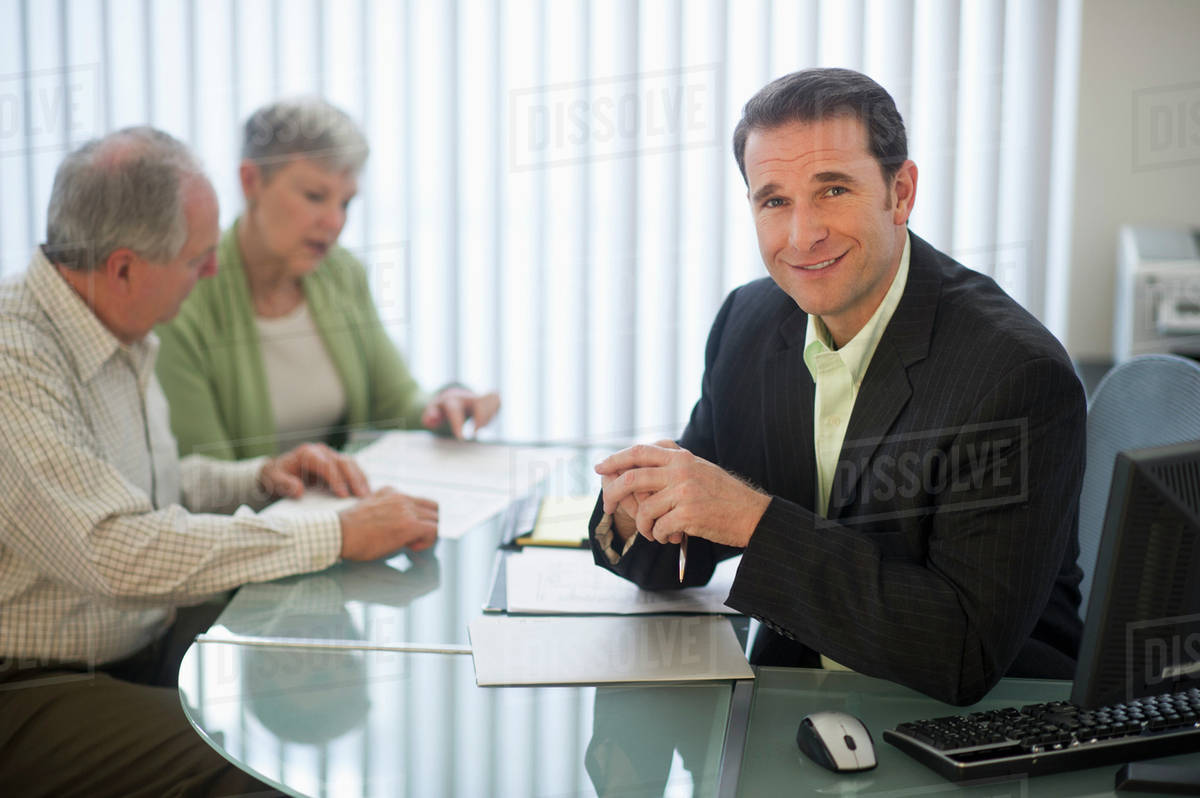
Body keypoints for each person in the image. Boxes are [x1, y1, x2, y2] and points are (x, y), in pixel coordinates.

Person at [590, 68, 1086, 707]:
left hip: (985, 721)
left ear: (900, 192)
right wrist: (635, 511)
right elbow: (684, 549)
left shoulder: (1015, 375)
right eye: (774, 201)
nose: (802, 235)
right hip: (798, 696)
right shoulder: (749, 324)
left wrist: (753, 520)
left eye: (832, 190)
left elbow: (961, 649)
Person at [0, 127, 439, 795]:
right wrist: (335, 531)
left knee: (313, 631)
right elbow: (115, 549)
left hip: (138, 640)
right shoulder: (15, 361)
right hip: (33, 680)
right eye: (197, 258)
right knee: (243, 769)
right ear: (123, 268)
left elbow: (153, 490)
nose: (211, 272)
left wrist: (261, 478)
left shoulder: (118, 329)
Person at [156, 98, 500, 460]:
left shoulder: (341, 272)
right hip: (263, 516)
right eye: (315, 197)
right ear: (250, 181)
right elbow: (205, 478)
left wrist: (446, 407)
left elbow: (396, 403)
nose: (335, 222)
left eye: (346, 203)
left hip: (345, 508)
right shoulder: (184, 298)